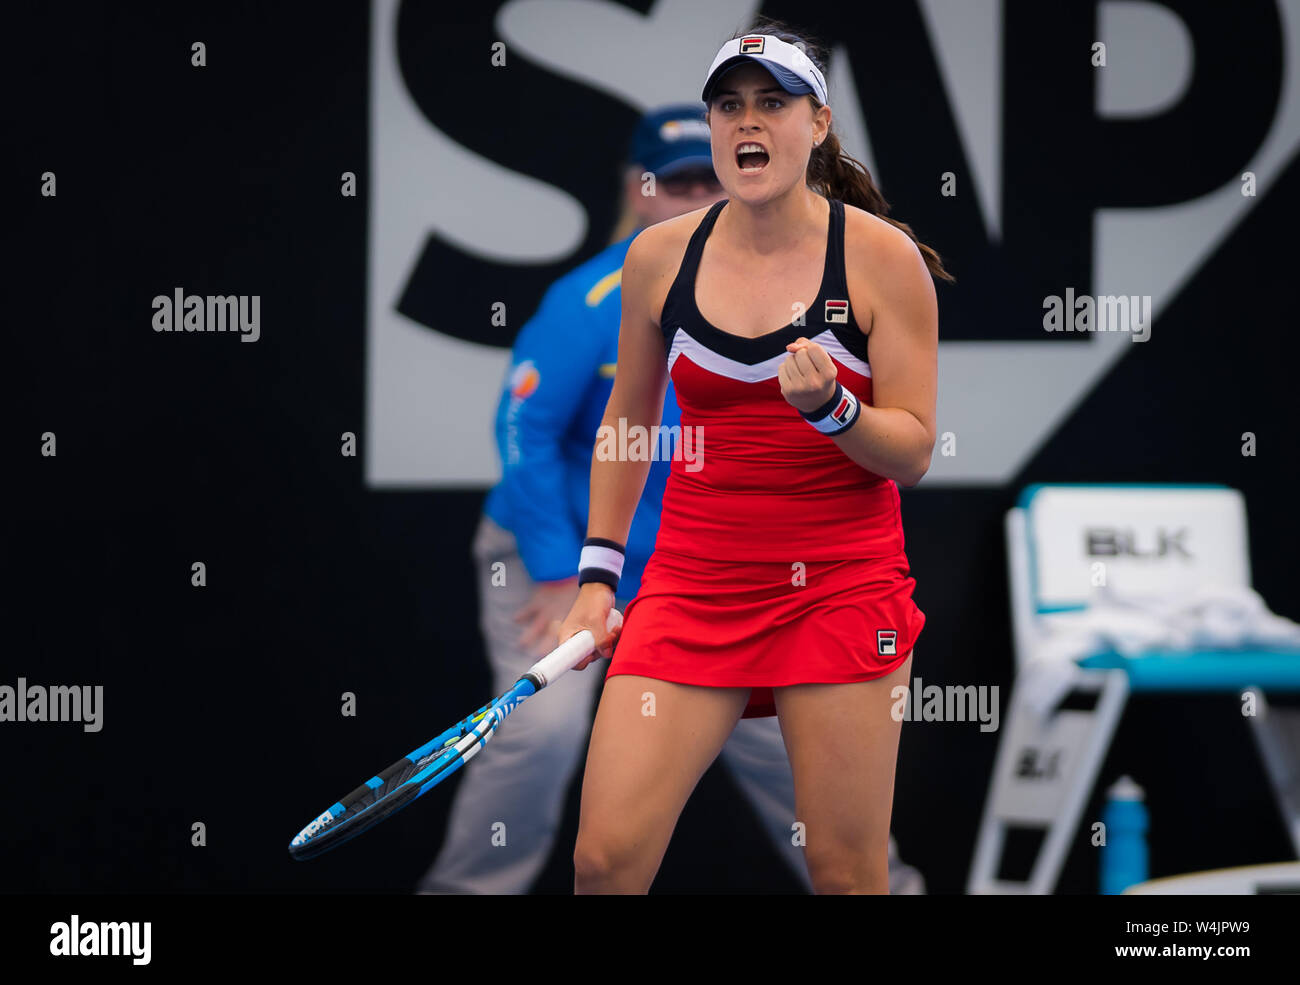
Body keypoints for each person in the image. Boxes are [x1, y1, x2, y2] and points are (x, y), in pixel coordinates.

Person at [417, 105, 932, 893]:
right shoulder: (607, 290)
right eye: (676, 179)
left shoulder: (857, 262)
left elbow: (908, 446)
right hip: (556, 544)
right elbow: (525, 430)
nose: (693, 193)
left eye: (704, 177)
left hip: (732, 568)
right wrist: (573, 572)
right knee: (544, 735)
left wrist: (832, 410)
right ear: (637, 189)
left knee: (825, 828)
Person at [559, 19, 952, 894]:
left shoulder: (883, 261)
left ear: (816, 125)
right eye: (729, 105)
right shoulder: (660, 256)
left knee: (848, 875)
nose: (749, 122)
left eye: (773, 103)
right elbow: (627, 422)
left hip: (841, 590)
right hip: (692, 586)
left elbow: (914, 452)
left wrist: (835, 408)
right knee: (604, 860)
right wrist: (597, 578)